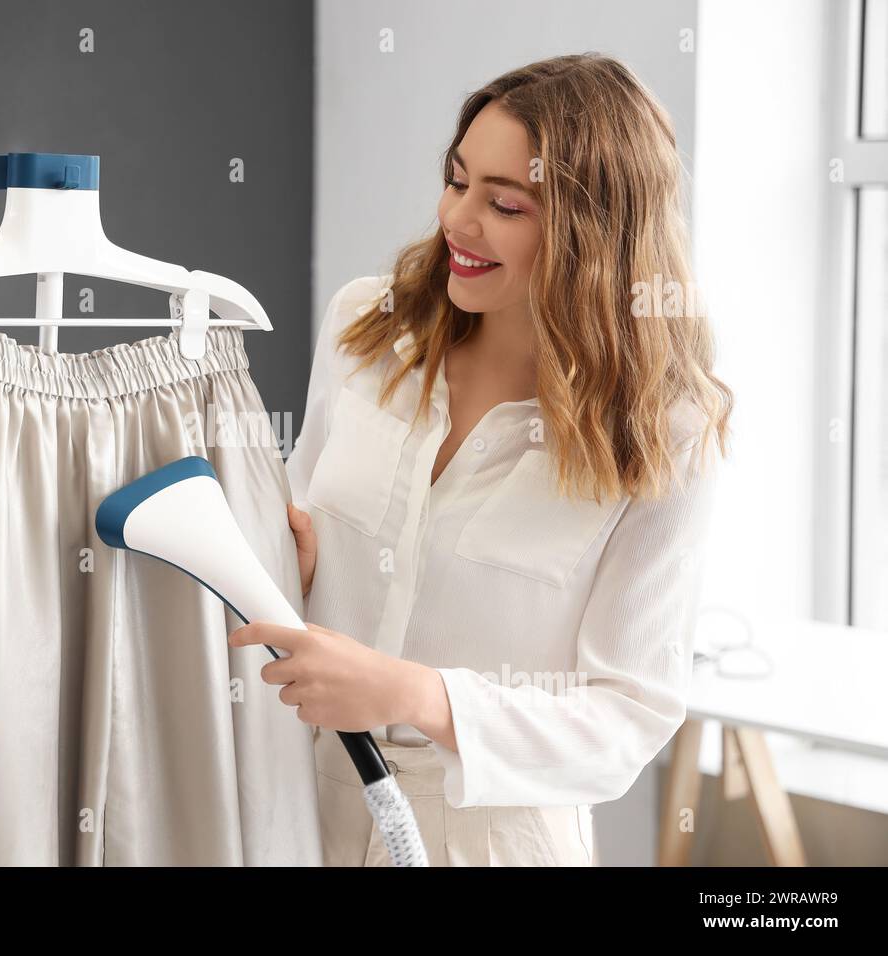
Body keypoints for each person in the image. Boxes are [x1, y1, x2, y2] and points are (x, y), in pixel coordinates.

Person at [228, 53, 734, 866]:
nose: (456, 220)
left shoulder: (667, 432)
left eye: (504, 204)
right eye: (456, 180)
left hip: (493, 837)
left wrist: (423, 698)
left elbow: (627, 718)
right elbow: (297, 537)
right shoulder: (366, 329)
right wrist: (295, 562)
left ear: (593, 232)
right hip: (297, 804)